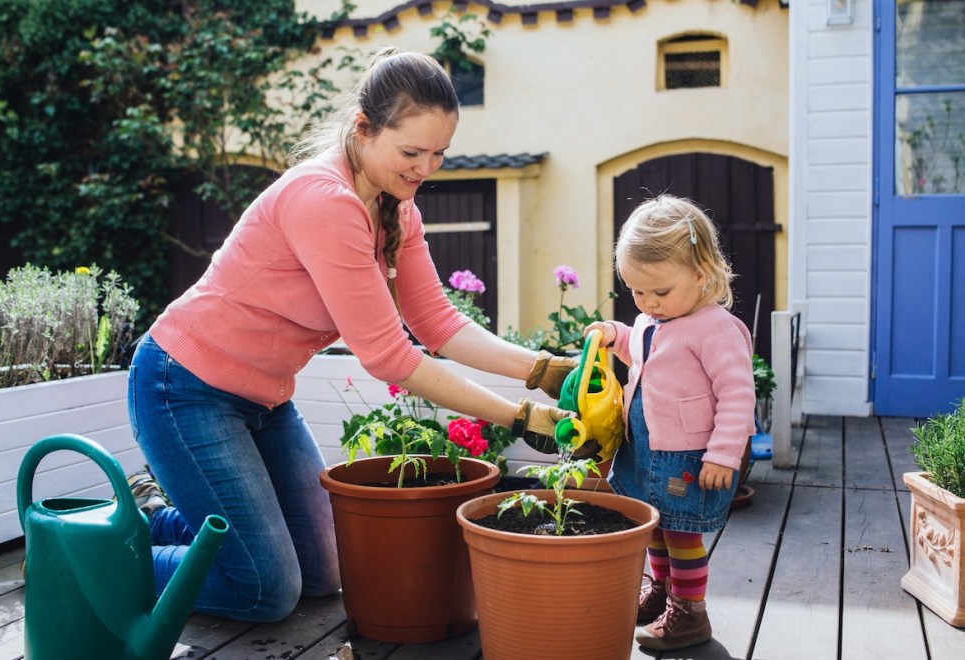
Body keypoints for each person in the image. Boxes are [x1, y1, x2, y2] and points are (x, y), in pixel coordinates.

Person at [126, 47, 575, 623]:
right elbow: (390, 357)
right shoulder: (324, 201)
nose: (425, 168)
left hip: (264, 400)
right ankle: (104, 553)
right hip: (184, 388)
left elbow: (438, 322)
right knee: (265, 590)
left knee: (325, 573)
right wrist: (518, 416)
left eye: (439, 154)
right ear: (363, 130)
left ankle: (162, 516)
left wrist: (541, 370)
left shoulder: (397, 209)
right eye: (411, 152)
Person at [585, 194, 755, 651]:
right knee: (654, 526)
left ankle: (690, 612)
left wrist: (722, 454)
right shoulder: (651, 320)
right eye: (637, 291)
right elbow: (641, 352)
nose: (649, 303)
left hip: (688, 455)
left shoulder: (715, 328)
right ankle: (661, 592)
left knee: (681, 533)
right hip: (645, 448)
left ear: (702, 274)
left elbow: (738, 396)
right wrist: (615, 334)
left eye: (660, 292)